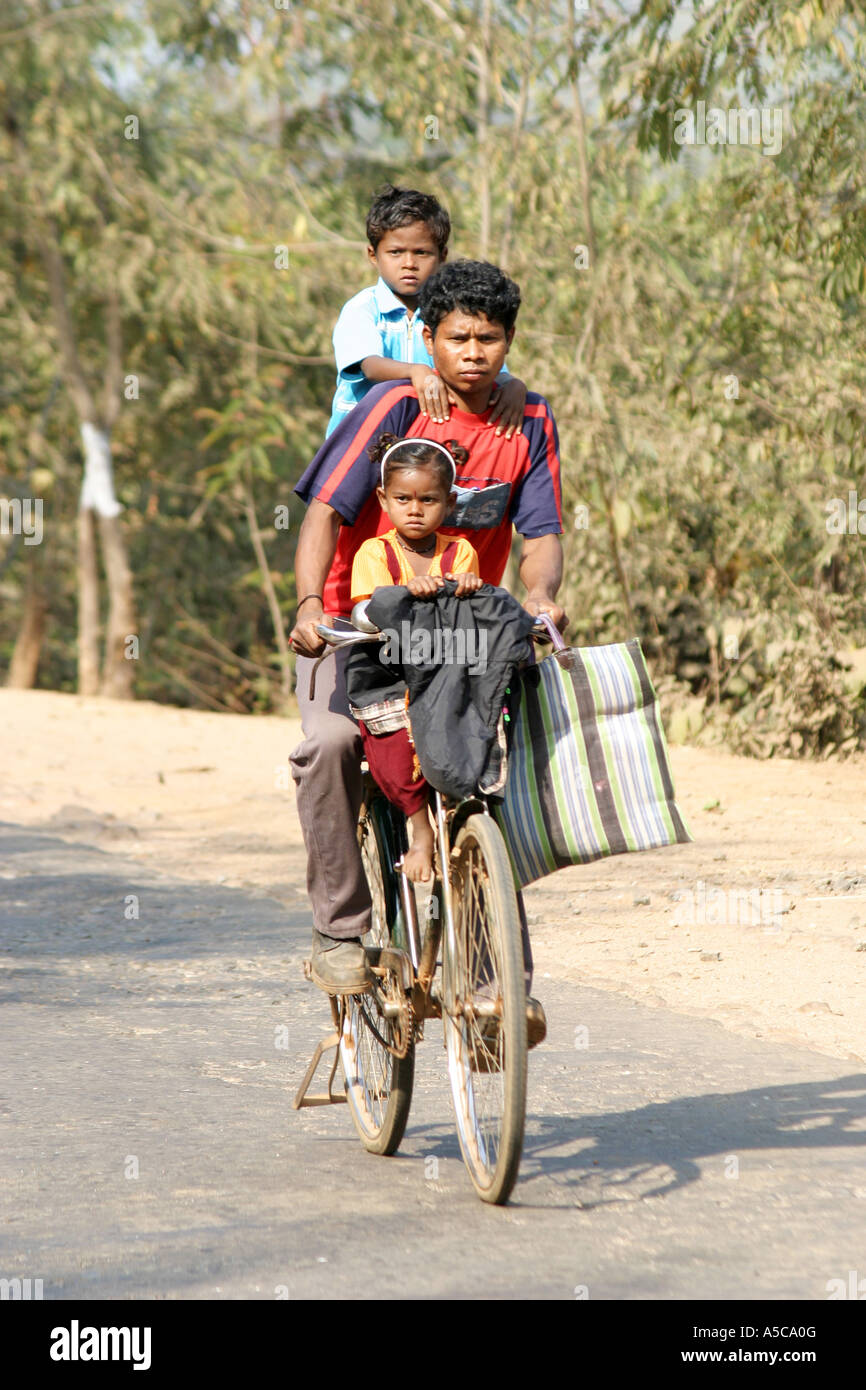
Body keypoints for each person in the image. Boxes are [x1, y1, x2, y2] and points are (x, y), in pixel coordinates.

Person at [290, 259, 566, 1012]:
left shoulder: (530, 418)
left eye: (490, 338)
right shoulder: (393, 405)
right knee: (333, 745)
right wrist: (312, 604)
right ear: (428, 337)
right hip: (356, 628)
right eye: (458, 337)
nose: (475, 353)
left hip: (458, 631)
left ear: (509, 341)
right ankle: (341, 932)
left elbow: (541, 531)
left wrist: (540, 598)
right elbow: (324, 511)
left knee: (487, 773)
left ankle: (492, 984)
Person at [350, 433, 482, 885]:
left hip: (447, 666)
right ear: (383, 499)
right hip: (389, 671)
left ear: (448, 502)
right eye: (403, 498)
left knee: (477, 730)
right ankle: (420, 830)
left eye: (428, 499)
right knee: (395, 754)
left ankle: (474, 825)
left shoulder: (460, 552)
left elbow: (471, 611)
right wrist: (403, 594)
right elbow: (365, 612)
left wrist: (464, 586)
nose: (415, 509)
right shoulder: (375, 552)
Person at [327, 183, 526, 439]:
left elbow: (490, 370)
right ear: (373, 255)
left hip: (422, 449)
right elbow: (369, 366)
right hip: (359, 443)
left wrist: (514, 385)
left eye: (421, 253)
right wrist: (415, 371)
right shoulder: (362, 309)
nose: (409, 264)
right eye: (396, 252)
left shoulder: (451, 315)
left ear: (442, 255)